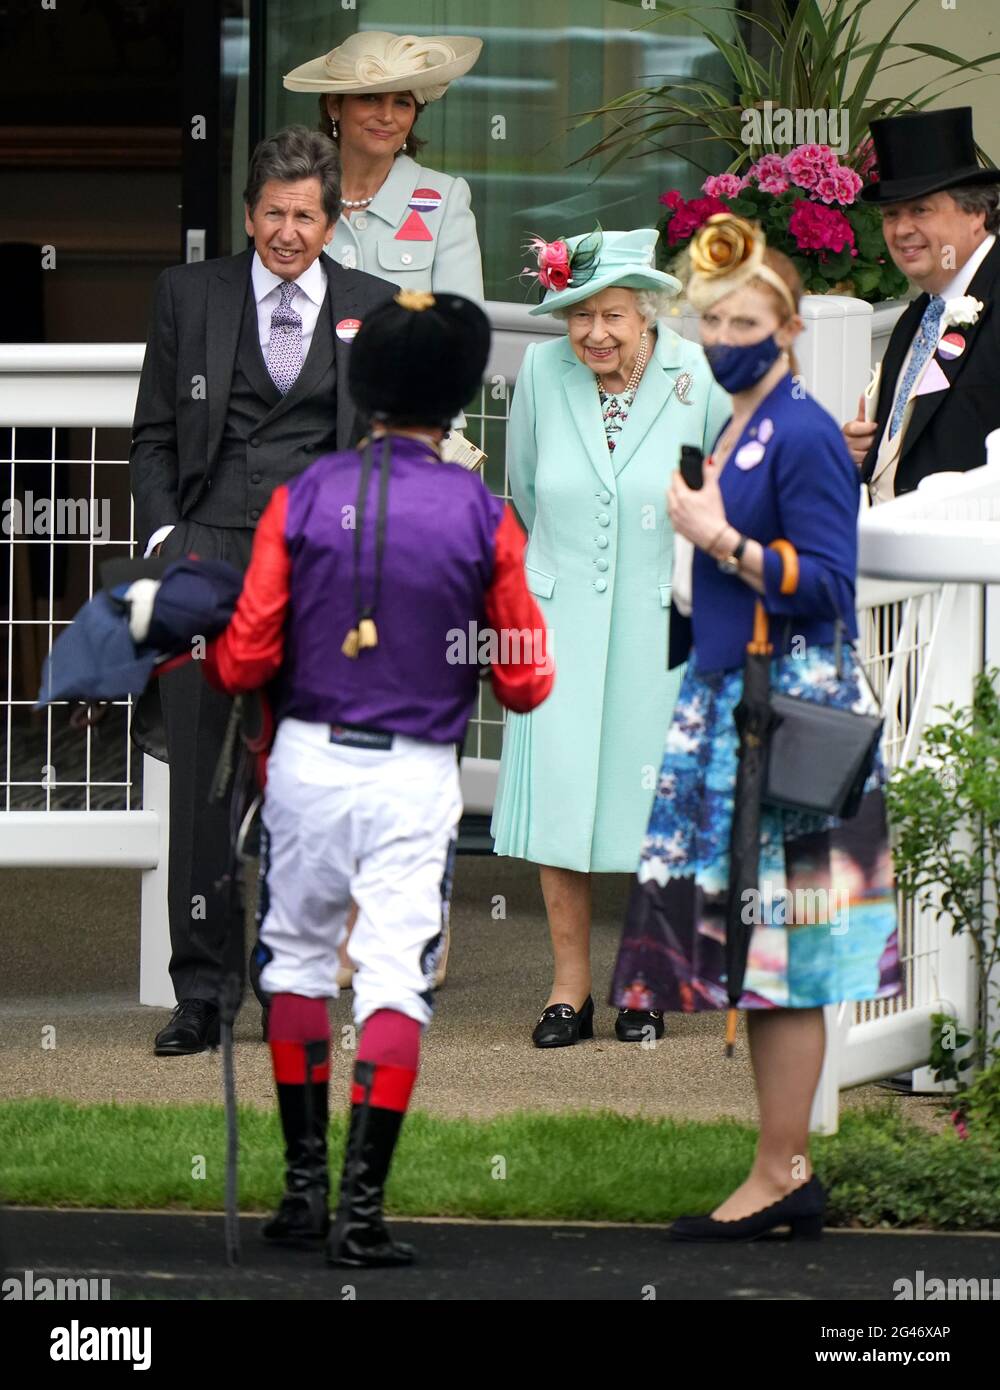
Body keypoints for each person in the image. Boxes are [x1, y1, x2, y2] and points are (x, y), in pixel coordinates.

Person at [201, 290, 553, 1267]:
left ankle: (302, 1192)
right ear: (452, 400)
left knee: (298, 960)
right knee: (395, 973)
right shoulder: (485, 515)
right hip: (413, 773)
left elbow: (242, 659)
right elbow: (526, 680)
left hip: (309, 762)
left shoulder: (301, 497)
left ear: (368, 391)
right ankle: (361, 1212)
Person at [611, 214, 900, 1240]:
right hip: (738, 698)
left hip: (788, 709)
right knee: (762, 949)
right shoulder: (742, 420)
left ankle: (782, 1171)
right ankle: (782, 1167)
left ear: (785, 331)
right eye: (711, 314)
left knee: (789, 951)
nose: (724, 328)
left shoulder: (806, 430)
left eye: (746, 317)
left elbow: (825, 580)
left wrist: (719, 536)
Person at [130, 126, 396, 1056]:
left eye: (306, 215)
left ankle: (289, 976)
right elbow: (154, 435)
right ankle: (199, 994)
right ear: (250, 215)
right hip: (205, 557)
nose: (288, 231)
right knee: (204, 785)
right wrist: (167, 538)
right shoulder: (187, 294)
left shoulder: (372, 306)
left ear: (330, 221)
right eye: (273, 213)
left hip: (317, 568)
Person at [491, 228, 729, 1047]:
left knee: (653, 802)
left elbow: (722, 486)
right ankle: (569, 990)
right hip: (557, 620)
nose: (594, 333)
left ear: (649, 311)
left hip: (665, 621)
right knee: (562, 804)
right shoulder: (542, 375)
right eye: (578, 316)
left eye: (613, 316)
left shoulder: (695, 375)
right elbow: (523, 487)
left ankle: (647, 983)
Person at [842, 107, 1000, 504]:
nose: (902, 229)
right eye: (891, 214)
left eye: (921, 210)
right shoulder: (916, 316)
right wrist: (866, 454)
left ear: (977, 213)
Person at [284, 30, 484, 299]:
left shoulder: (446, 199)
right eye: (370, 98)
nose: (387, 116)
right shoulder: (294, 190)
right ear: (334, 105)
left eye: (402, 102)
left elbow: (463, 326)